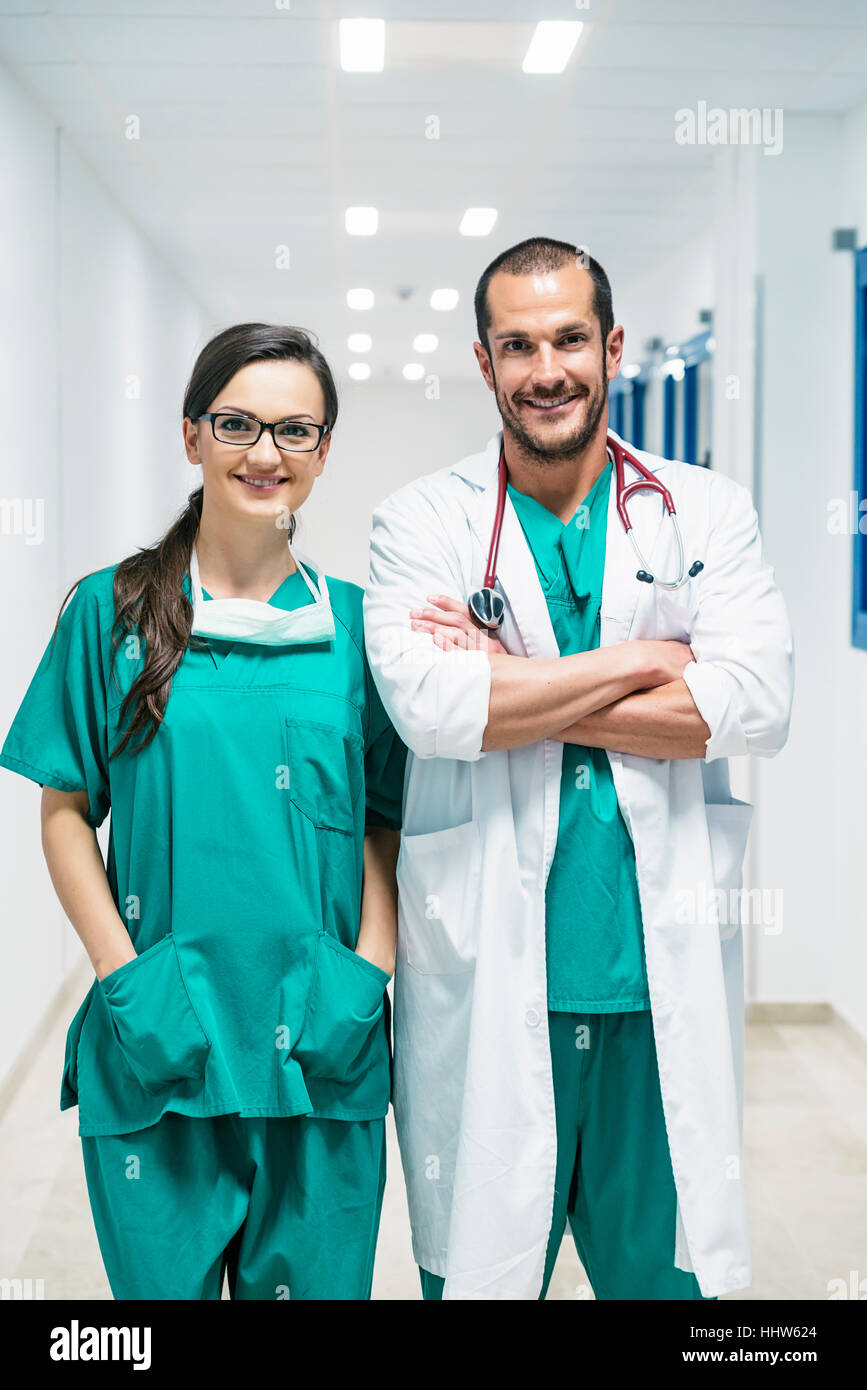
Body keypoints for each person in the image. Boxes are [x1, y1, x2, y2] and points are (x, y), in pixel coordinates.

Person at [363, 238, 794, 1300]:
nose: (545, 368)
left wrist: (519, 685)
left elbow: (750, 705)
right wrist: (652, 661)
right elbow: (434, 711)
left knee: (670, 1291)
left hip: (658, 991)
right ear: (484, 361)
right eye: (518, 344)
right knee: (484, 1277)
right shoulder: (420, 520)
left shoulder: (706, 510)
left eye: (567, 339)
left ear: (608, 348)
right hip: (493, 979)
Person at [0, 322, 407, 1300]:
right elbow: (65, 810)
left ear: (321, 453)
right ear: (192, 436)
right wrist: (122, 977)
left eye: (295, 431)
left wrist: (370, 978)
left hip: (321, 1040)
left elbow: (383, 821)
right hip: (161, 1039)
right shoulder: (111, 613)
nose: (265, 453)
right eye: (237, 423)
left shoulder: (359, 629)